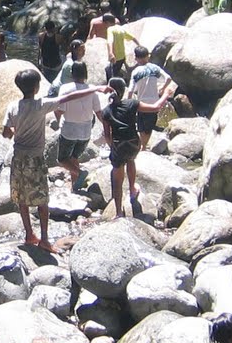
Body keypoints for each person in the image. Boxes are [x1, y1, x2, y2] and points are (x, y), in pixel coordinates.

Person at [2, 68, 53, 250]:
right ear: (37, 87)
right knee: (42, 199)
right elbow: (68, 98)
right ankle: (45, 240)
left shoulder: (13, 107)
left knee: (22, 197)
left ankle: (29, 234)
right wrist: (95, 90)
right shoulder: (41, 105)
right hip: (36, 159)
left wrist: (19, 130)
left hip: (18, 159)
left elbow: (6, 134)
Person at [47, 61, 104, 191]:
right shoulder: (92, 90)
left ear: (72, 73)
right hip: (85, 132)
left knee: (62, 159)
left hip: (69, 130)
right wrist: (107, 128)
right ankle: (75, 186)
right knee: (74, 158)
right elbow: (99, 113)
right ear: (86, 74)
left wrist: (59, 122)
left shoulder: (65, 88)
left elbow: (59, 110)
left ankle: (80, 174)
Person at [100, 77, 142, 217]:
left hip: (118, 144)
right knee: (131, 160)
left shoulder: (106, 111)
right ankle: (132, 189)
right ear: (124, 91)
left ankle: (118, 212)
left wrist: (112, 146)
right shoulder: (132, 104)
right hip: (133, 143)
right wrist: (166, 95)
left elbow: (107, 135)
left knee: (117, 179)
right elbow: (154, 108)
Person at [127, 45, 176, 150]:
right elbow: (168, 78)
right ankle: (144, 146)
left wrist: (128, 103)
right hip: (154, 102)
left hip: (141, 103)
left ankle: (141, 146)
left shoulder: (136, 71)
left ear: (137, 58)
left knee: (140, 126)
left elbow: (130, 90)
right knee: (149, 127)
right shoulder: (155, 68)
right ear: (147, 56)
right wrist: (162, 88)